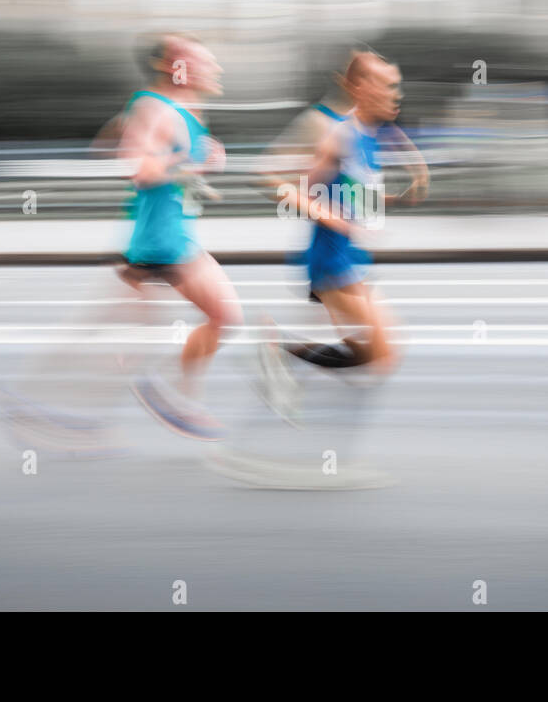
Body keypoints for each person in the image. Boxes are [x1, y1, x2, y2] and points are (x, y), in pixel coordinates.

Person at [255, 49, 428, 426]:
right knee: (380, 356)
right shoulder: (340, 136)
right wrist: (330, 217)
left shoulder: (368, 134)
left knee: (380, 354)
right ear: (361, 88)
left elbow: (351, 189)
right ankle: (281, 351)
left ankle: (285, 355)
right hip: (331, 262)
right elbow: (288, 190)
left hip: (352, 258)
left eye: (396, 86)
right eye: (387, 86)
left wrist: (392, 196)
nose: (396, 94)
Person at [92, 33, 242, 441]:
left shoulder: (185, 111)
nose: (213, 68)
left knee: (139, 335)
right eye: (202, 61)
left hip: (167, 235)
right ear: (175, 67)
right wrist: (190, 166)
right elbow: (139, 169)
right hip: (165, 242)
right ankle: (171, 396)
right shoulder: (156, 108)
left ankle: (116, 405)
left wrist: (203, 168)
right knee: (225, 317)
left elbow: (176, 174)